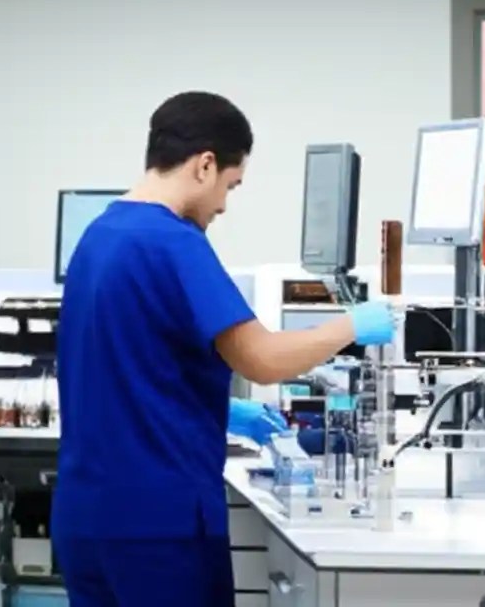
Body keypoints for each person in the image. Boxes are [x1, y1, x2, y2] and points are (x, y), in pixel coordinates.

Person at [51, 91, 397, 607]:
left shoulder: (99, 235)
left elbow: (123, 366)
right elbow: (261, 358)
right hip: (159, 527)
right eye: (229, 186)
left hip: (85, 521)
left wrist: (222, 410)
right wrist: (352, 325)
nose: (223, 206)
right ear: (205, 164)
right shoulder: (174, 240)